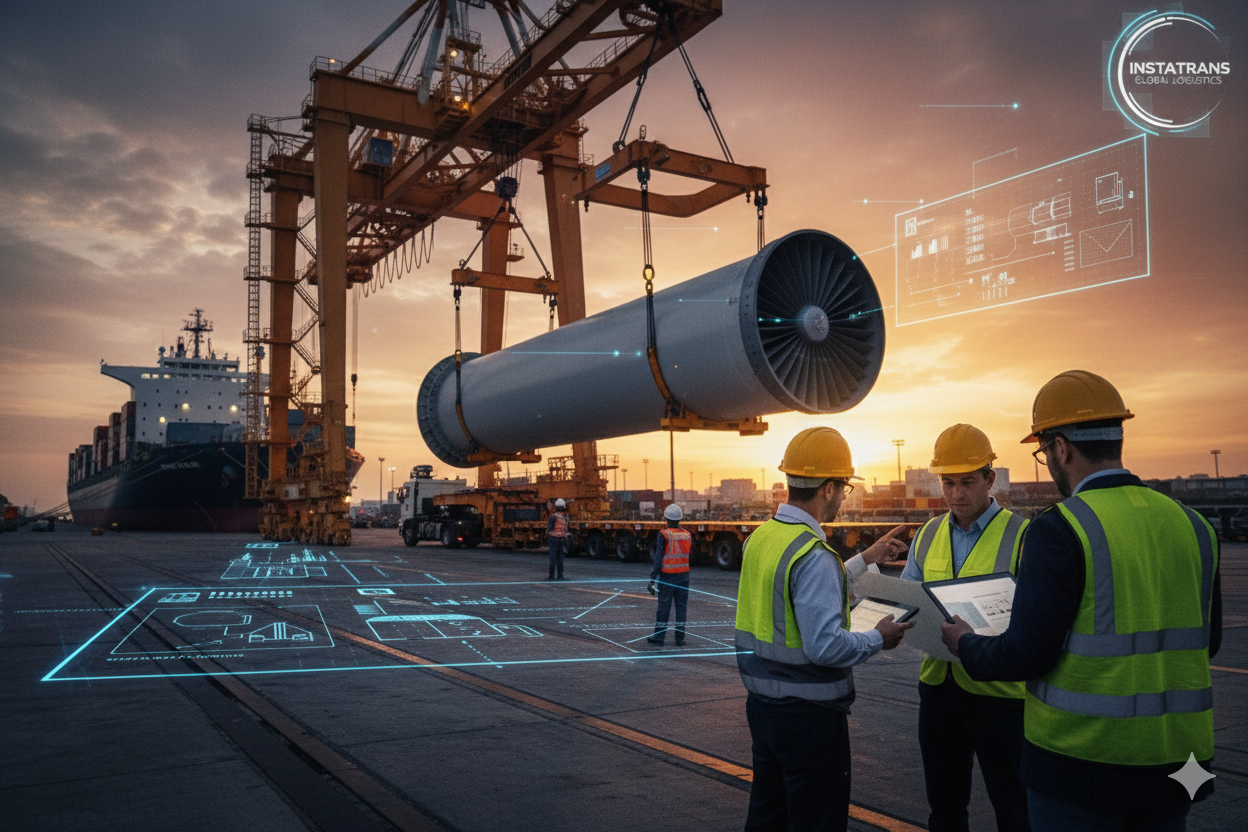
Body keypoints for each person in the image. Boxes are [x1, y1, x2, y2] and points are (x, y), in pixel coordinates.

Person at [940, 370, 1222, 832]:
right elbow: (1205, 643)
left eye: (1044, 451)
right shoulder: (1194, 526)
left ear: (1061, 447)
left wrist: (966, 643)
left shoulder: (1062, 529)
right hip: (1179, 763)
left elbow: (1025, 654)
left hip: (1083, 767)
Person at [736, 426, 914, 831]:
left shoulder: (762, 539)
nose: (843, 498)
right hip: (808, 716)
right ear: (829, 488)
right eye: (844, 489)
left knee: (768, 816)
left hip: (764, 709)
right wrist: (878, 638)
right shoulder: (813, 555)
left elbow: (799, 590)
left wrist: (864, 558)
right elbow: (824, 647)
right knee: (818, 821)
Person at [899, 424, 1029, 832]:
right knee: (945, 811)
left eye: (967, 482)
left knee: (1016, 811)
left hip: (1001, 697)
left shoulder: (1024, 535)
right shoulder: (928, 534)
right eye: (948, 482)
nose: (956, 493)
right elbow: (907, 596)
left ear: (989, 479)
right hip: (939, 689)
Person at [646, 503, 696, 646]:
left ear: (666, 518)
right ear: (680, 519)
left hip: (668, 577)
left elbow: (658, 557)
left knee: (663, 608)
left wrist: (652, 579)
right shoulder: (687, 534)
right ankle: (679, 639)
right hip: (684, 576)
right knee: (681, 609)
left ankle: (659, 637)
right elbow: (689, 554)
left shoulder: (664, 534)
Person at [546, 497, 569, 581]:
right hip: (561, 539)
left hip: (553, 539)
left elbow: (549, 528)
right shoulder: (565, 517)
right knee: (560, 558)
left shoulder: (553, 517)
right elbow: (566, 528)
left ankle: (551, 576)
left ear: (555, 507)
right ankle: (560, 575)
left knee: (553, 557)